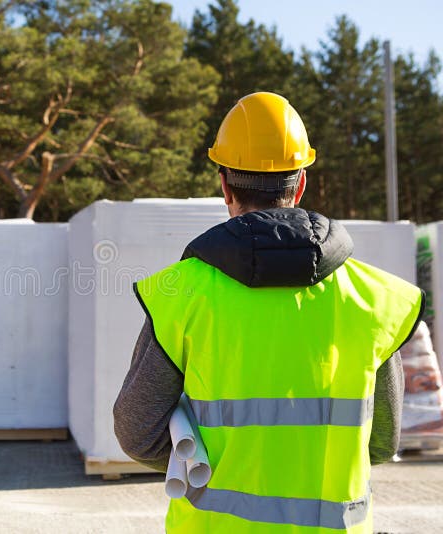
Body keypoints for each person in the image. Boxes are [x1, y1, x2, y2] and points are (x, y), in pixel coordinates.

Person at [113, 92, 424, 533]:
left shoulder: (181, 295)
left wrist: (208, 455)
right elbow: (381, 442)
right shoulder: (373, 299)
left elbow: (137, 433)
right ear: (300, 184)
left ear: (225, 187)